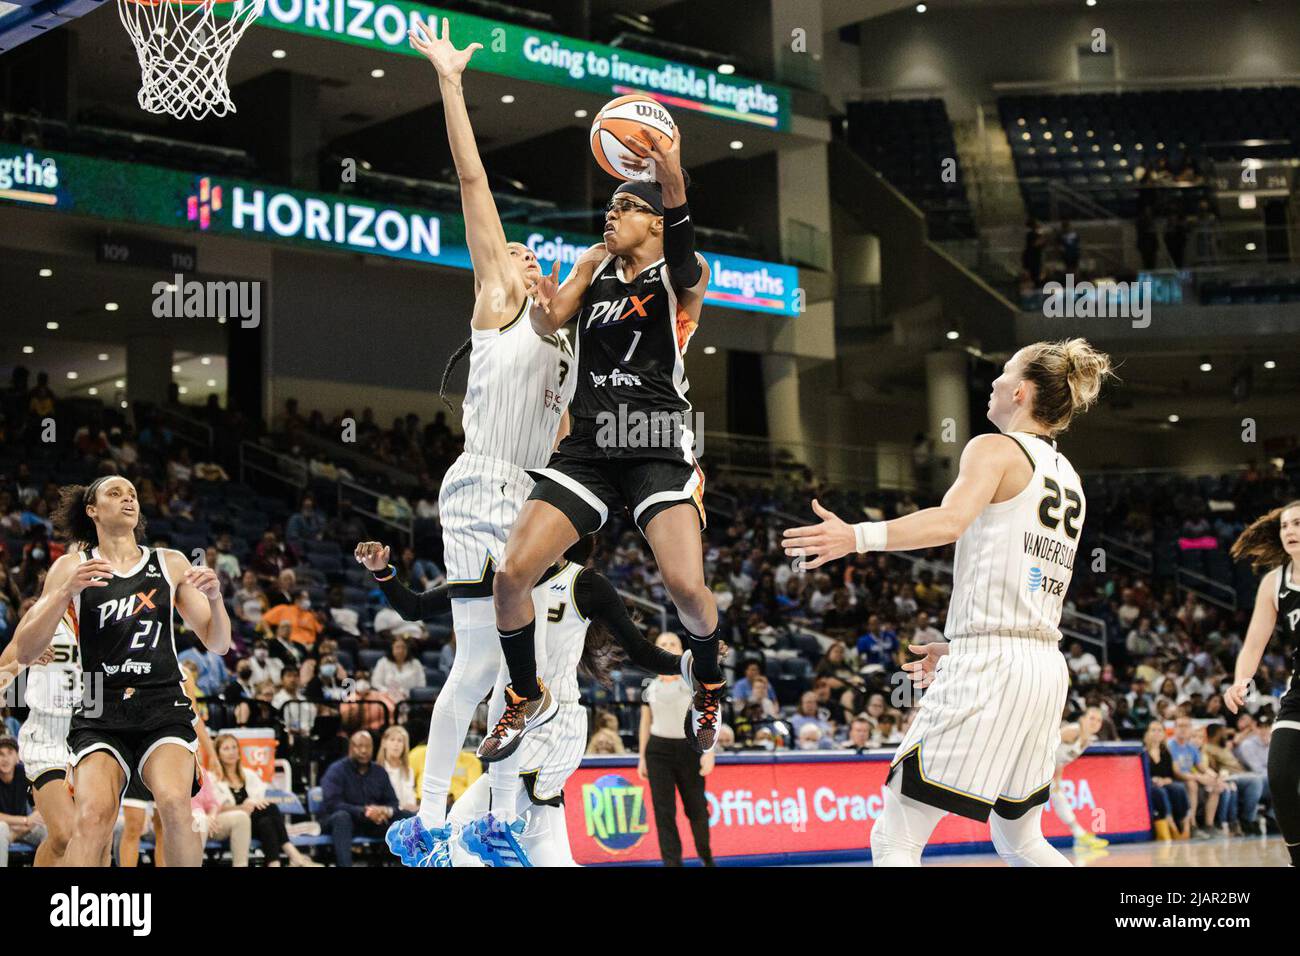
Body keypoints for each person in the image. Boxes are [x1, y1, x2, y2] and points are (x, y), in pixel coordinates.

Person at [480, 21, 725, 767]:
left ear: (653, 219)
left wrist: (671, 171)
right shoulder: (597, 278)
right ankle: (524, 695)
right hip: (589, 443)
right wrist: (571, 274)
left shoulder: (682, 276)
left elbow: (681, 230)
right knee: (511, 577)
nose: (609, 216)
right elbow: (549, 317)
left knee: (685, 590)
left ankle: (710, 680)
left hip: (654, 439)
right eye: (609, 209)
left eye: (623, 209)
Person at [785, 338, 1114, 867]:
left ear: (1023, 392)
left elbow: (948, 521)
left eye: (1002, 372)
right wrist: (962, 647)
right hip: (1043, 665)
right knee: (1021, 840)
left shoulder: (994, 447)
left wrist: (857, 537)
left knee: (895, 835)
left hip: (993, 662)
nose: (993, 382)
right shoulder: (1068, 476)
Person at [379, 16, 577, 869]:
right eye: (517, 250)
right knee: (473, 666)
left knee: (514, 674)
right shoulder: (498, 298)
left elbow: (576, 439)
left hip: (535, 495)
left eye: (537, 255)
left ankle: (493, 819)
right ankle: (428, 820)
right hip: (480, 486)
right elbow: (470, 179)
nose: (522, 257)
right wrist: (451, 82)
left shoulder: (567, 346)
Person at [364, 539, 683, 866]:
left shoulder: (583, 583)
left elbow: (640, 650)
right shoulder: (500, 577)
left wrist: (690, 664)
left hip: (555, 723)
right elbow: (415, 608)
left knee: (462, 829)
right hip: (514, 724)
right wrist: (382, 573)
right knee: (547, 852)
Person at [10, 476, 231, 867]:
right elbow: (24, 650)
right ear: (92, 510)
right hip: (100, 706)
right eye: (115, 493)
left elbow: (218, 642)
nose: (128, 498)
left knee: (174, 802)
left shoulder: (169, 562)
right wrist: (63, 593)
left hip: (161, 701)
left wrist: (216, 600)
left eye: (132, 494)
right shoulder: (71, 567)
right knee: (93, 818)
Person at [1226, 500, 1300, 866]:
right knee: (1280, 776)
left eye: (1298, 524)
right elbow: (1254, 642)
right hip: (1299, 692)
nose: (1289, 531)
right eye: (1285, 525)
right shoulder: (1275, 582)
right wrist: (1240, 681)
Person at [0, 613, 73, 866]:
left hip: (93, 735)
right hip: (47, 737)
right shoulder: (42, 618)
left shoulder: (108, 616)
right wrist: (24, 662)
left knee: (96, 838)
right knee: (66, 835)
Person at [638, 633, 714, 867]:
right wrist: (641, 757)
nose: (668, 647)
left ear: (682, 650)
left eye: (672, 643)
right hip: (657, 751)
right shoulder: (647, 684)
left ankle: (706, 857)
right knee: (664, 812)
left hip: (689, 749)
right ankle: (672, 863)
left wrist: (709, 751)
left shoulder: (693, 680)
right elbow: (645, 721)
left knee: (696, 808)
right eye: (663, 644)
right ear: (656, 649)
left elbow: (707, 716)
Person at [211, 733, 318, 866]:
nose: (232, 752)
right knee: (269, 811)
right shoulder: (213, 778)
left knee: (266, 821)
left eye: (234, 747)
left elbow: (259, 801)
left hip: (255, 823)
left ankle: (275, 864)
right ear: (218, 754)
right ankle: (293, 854)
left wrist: (252, 804)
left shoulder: (249, 775)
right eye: (226, 748)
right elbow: (214, 808)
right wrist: (242, 808)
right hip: (232, 825)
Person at [319, 731, 413, 867]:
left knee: (405, 817)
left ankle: (408, 864)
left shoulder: (379, 772)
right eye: (359, 746)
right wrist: (365, 811)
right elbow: (332, 803)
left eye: (367, 746)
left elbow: (393, 802)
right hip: (342, 822)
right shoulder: (337, 770)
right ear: (351, 748)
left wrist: (384, 811)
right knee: (341, 817)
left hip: (372, 823)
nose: (363, 750)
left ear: (373, 748)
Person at [1050, 706, 1109, 851]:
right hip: (1033, 766)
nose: (1095, 722)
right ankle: (1079, 835)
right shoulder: (1073, 732)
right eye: (1091, 718)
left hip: (1046, 771)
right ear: (1083, 719)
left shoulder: (1087, 740)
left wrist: (1057, 777)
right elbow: (1044, 746)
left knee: (1058, 795)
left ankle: (1079, 835)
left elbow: (1060, 758)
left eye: (1099, 720)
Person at [0, 735, 47, 867]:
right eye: (1, 754)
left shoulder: (25, 774)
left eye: (10, 753)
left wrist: (26, 824)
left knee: (48, 831)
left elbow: (38, 810)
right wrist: (26, 821)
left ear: (17, 757)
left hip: (24, 828)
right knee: (1, 828)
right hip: (8, 826)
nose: (5, 759)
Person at [1144, 720, 1191, 840]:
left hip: (1164, 782)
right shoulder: (1142, 752)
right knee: (1161, 792)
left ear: (1164, 734)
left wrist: (1165, 781)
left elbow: (1171, 775)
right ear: (1147, 733)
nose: (1156, 733)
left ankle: (1185, 825)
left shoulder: (1166, 752)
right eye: (1153, 730)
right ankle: (1171, 827)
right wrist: (1153, 780)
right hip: (1149, 784)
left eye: (1159, 730)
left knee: (1179, 788)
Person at [377, 726, 419, 814]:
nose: (396, 744)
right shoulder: (377, 770)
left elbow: (411, 799)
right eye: (392, 740)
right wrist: (401, 808)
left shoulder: (408, 771)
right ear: (384, 743)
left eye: (400, 741)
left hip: (410, 815)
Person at [370, 636, 426, 702]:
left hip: (410, 701)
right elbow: (376, 683)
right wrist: (391, 693)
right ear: (391, 649)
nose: (401, 651)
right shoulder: (383, 662)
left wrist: (406, 694)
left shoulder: (415, 663)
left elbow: (421, 685)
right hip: (387, 699)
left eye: (404, 647)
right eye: (397, 647)